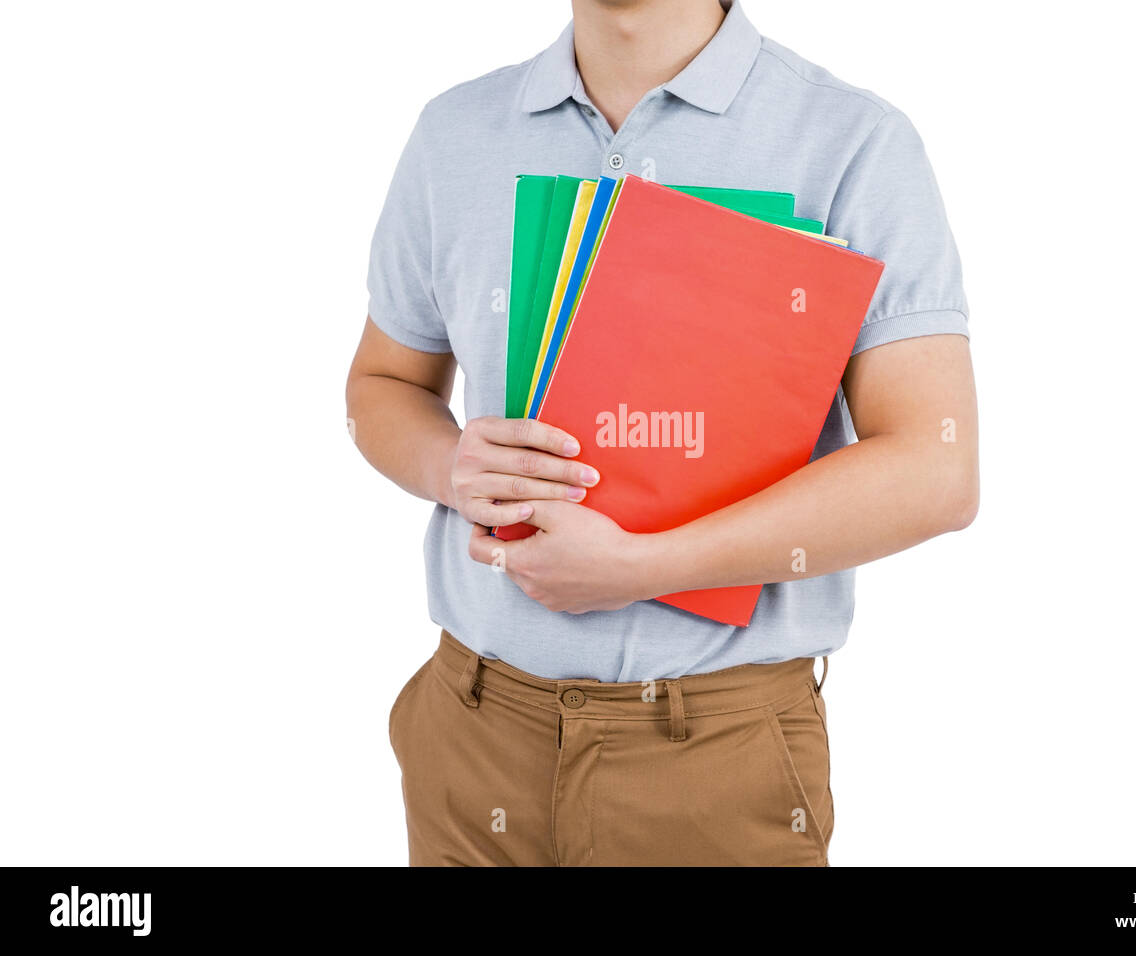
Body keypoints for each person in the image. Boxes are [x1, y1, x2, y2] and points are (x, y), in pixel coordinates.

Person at [346, 0, 978, 866]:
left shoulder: (854, 141)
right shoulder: (454, 132)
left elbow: (934, 470)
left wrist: (647, 569)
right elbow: (381, 385)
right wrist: (447, 464)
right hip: (472, 734)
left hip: (714, 756)